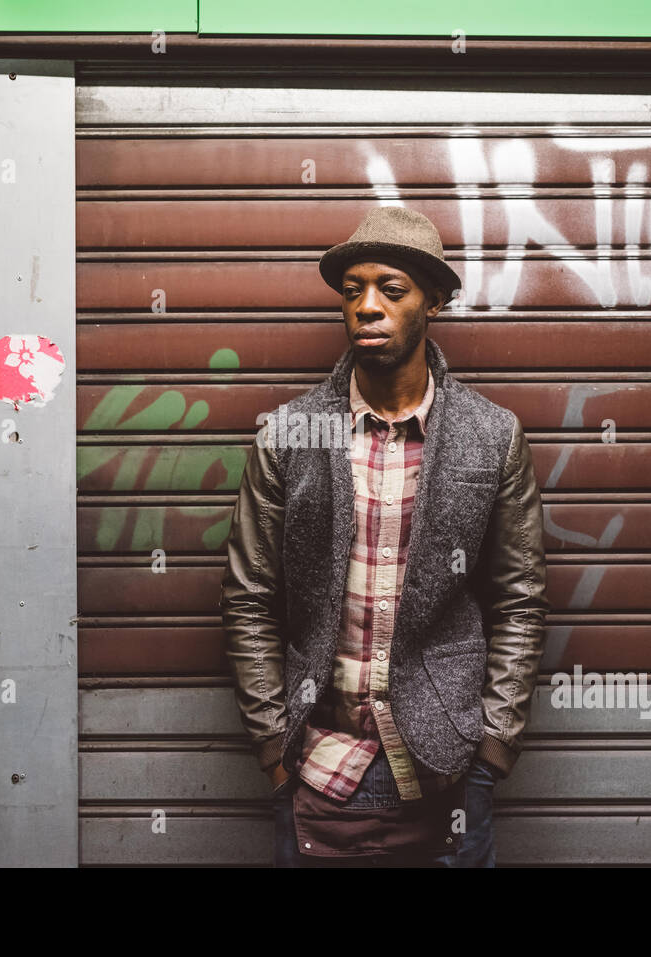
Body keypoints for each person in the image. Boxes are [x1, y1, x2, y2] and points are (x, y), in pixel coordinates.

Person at [220, 206, 550, 867]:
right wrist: (272, 748)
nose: (367, 307)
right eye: (352, 291)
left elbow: (520, 599)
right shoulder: (289, 434)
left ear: (434, 303)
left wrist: (493, 748)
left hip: (448, 774)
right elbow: (248, 595)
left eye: (391, 290)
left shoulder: (493, 437)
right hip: (318, 771)